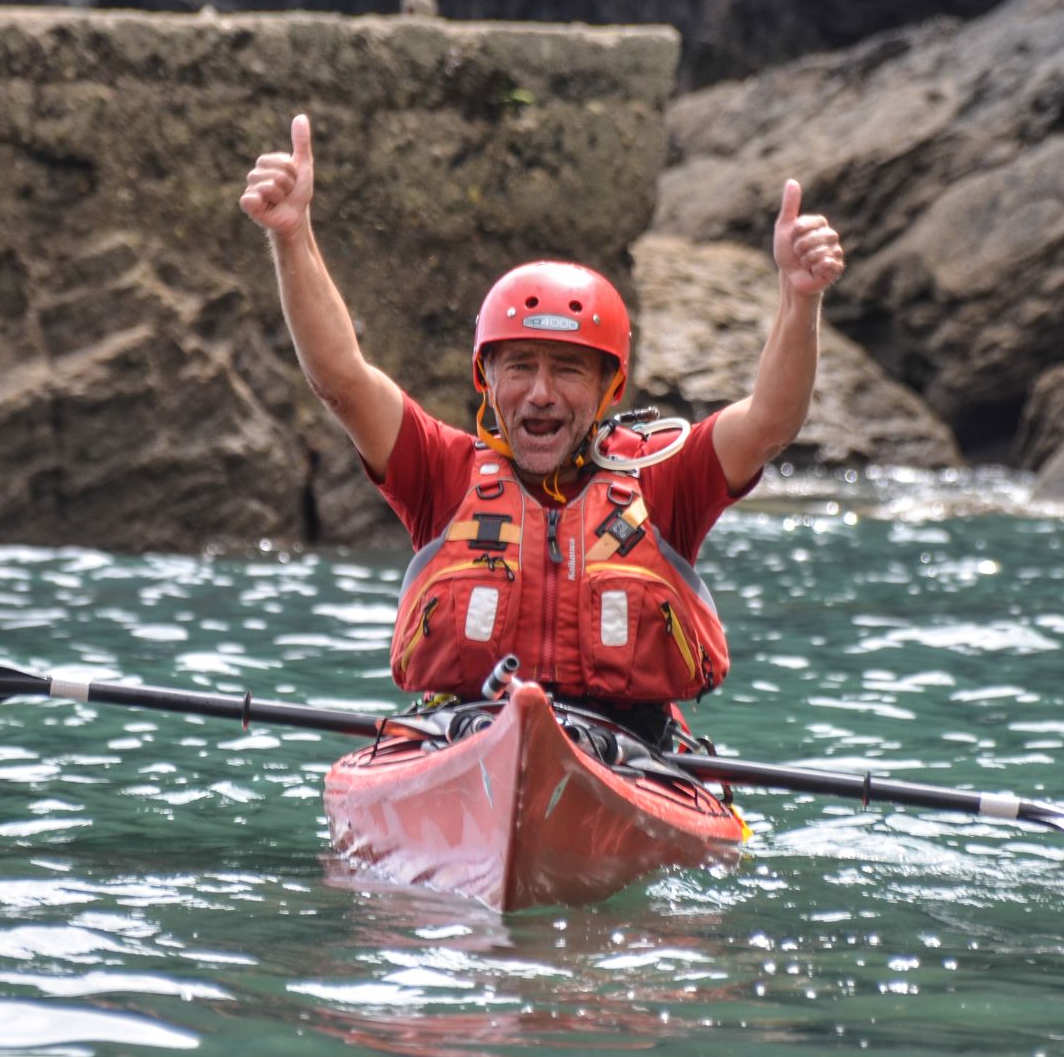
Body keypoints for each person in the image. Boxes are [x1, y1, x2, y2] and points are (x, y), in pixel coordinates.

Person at [241, 114, 843, 741]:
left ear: (611, 387)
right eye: (520, 367)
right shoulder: (441, 473)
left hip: (629, 750)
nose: (540, 394)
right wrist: (292, 233)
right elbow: (341, 380)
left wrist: (800, 300)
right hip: (460, 736)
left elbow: (771, 422)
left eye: (568, 371)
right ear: (486, 379)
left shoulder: (665, 478)